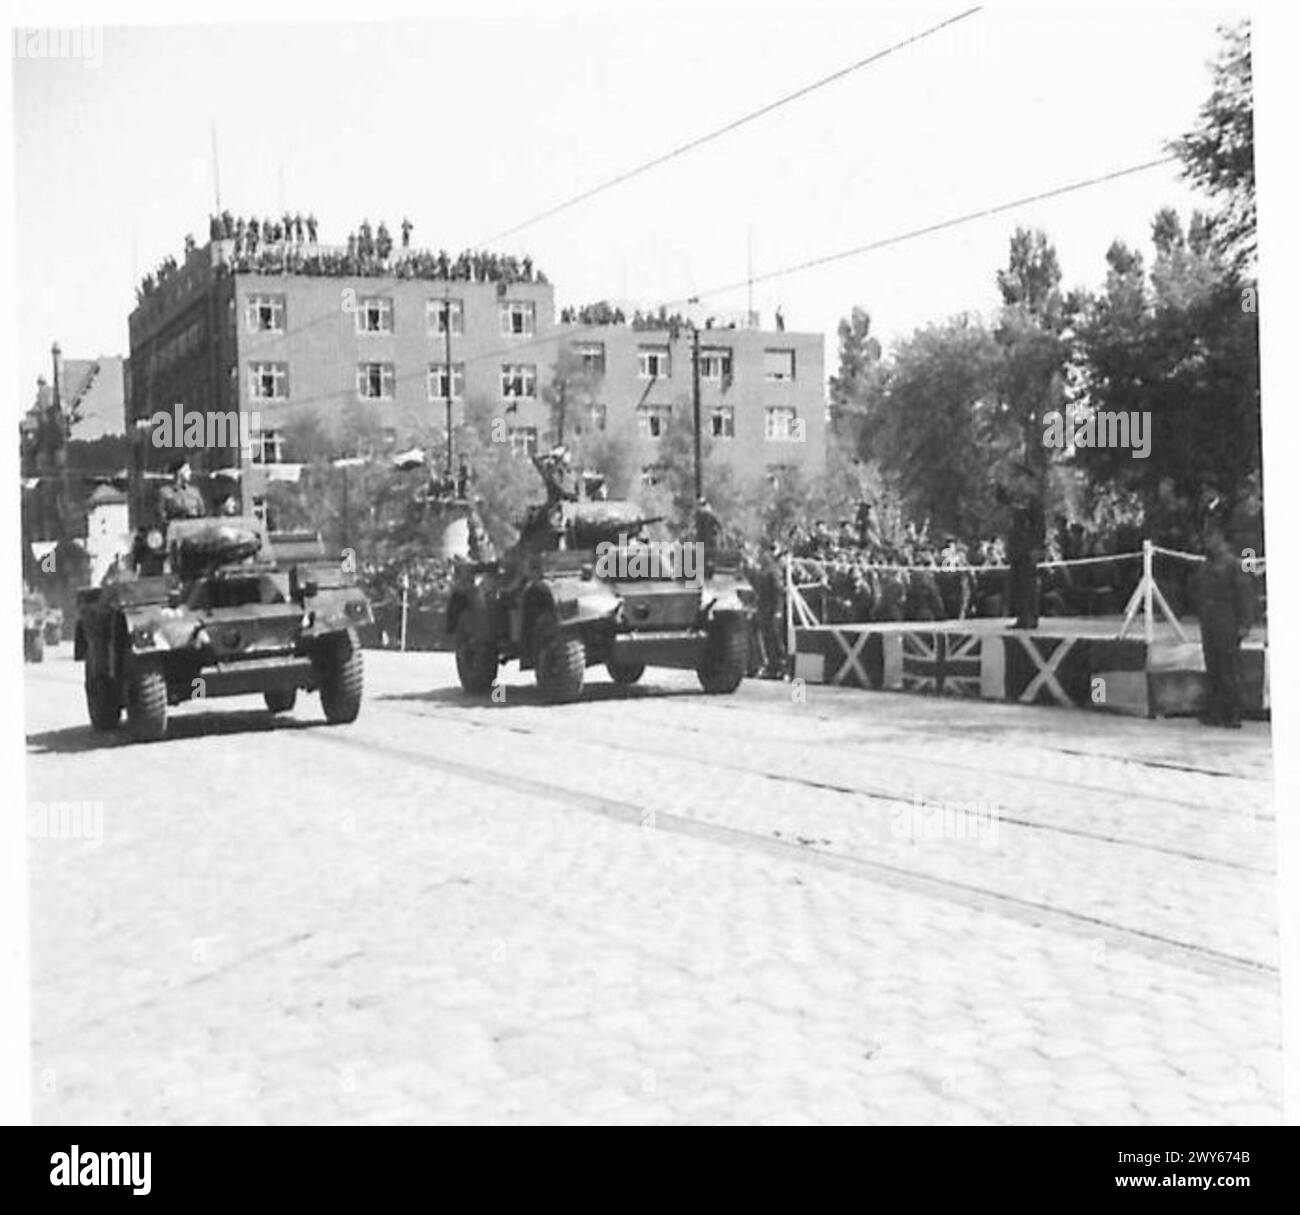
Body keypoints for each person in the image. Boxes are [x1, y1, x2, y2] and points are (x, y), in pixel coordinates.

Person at [1190, 523, 1256, 728]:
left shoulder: (1233, 564)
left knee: (1229, 670)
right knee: (1214, 668)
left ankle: (1233, 712)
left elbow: (1245, 595)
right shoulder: (1205, 565)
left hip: (1227, 622)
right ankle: (1216, 711)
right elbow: (1198, 592)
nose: (1207, 542)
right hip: (1209, 622)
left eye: (1211, 537)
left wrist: (1245, 623)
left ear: (1220, 538)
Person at [157, 459, 205, 524]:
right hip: (176, 528)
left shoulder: (195, 491)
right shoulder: (165, 491)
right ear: (179, 472)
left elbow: (202, 512)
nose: (190, 472)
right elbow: (161, 514)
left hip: (194, 527)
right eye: (187, 470)